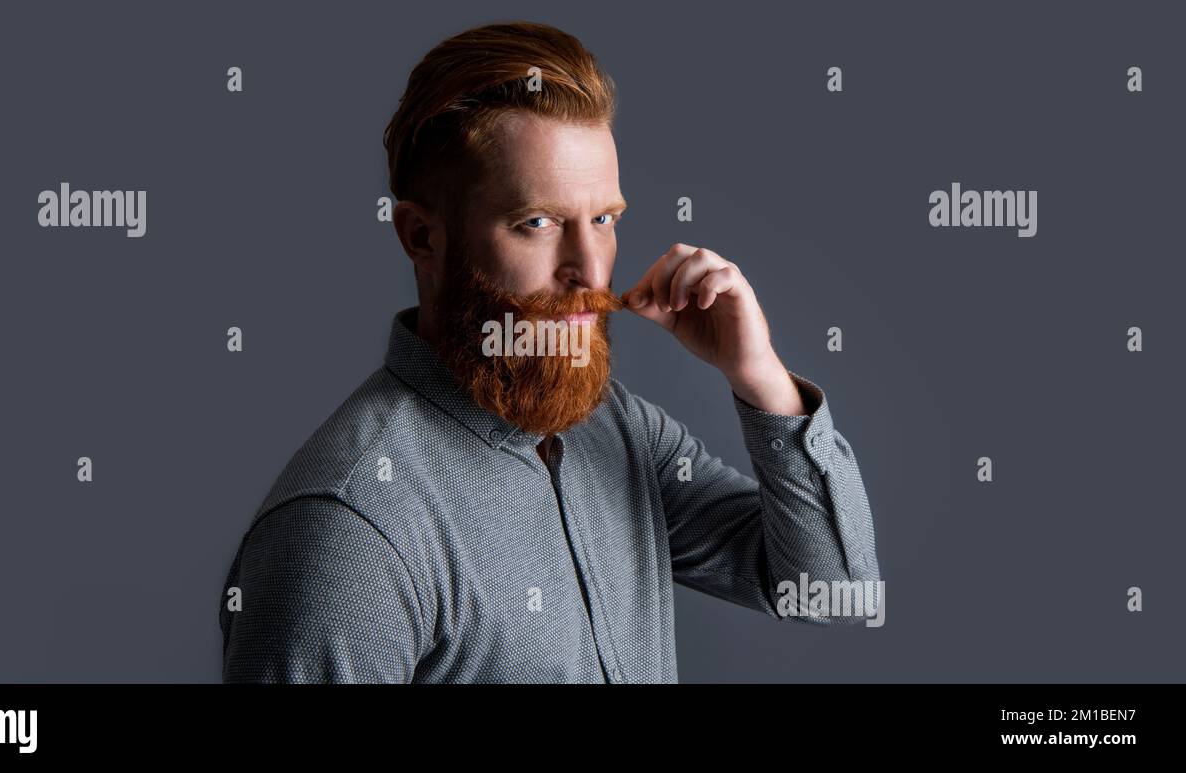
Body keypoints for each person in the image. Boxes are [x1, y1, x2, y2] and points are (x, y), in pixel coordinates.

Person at [220, 20, 879, 683]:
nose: (591, 271)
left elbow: (834, 590)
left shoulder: (617, 430)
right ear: (422, 236)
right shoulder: (348, 531)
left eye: (604, 220)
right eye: (536, 223)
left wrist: (758, 374)